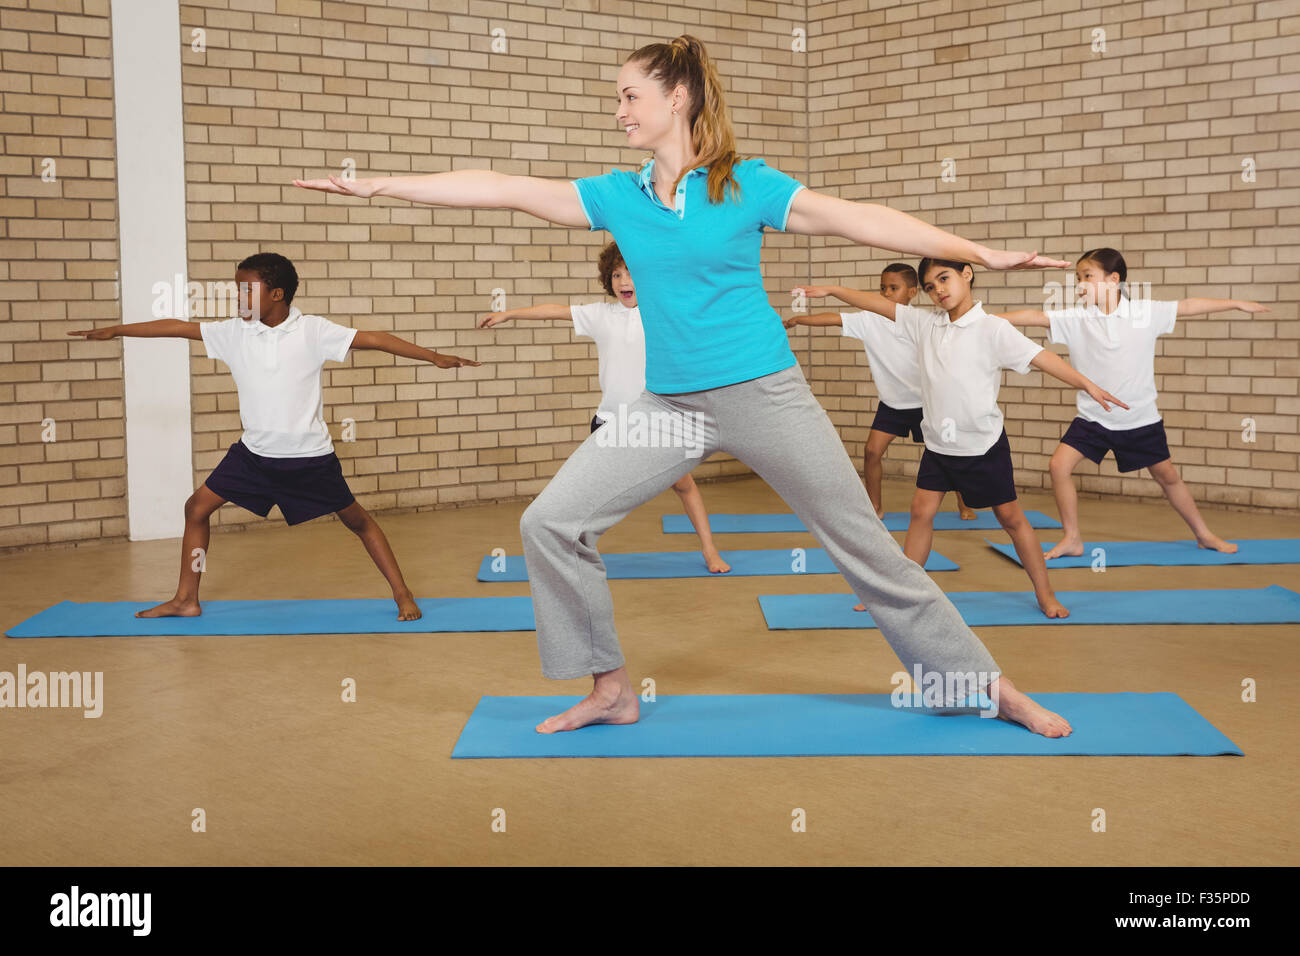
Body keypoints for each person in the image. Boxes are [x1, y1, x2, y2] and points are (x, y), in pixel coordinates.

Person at [294, 35, 1079, 737]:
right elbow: (503, 186)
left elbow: (860, 219)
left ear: (678, 97)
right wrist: (383, 185)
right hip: (668, 406)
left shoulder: (745, 184)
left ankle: (985, 685)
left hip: (764, 394)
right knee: (550, 523)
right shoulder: (618, 197)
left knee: (866, 548)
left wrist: (983, 252)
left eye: (628, 96)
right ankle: (610, 687)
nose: (618, 111)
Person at [69, 252, 480, 621]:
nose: (237, 297)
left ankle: (403, 594)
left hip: (309, 458)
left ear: (277, 294)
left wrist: (434, 357)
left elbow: (375, 339)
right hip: (254, 456)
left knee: (359, 522)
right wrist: (118, 330)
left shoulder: (313, 331)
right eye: (236, 289)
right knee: (196, 509)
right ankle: (185, 599)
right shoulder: (233, 332)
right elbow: (178, 327)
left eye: (246, 290)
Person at [794, 258, 1128, 618]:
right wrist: (832, 290)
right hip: (939, 445)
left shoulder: (992, 329)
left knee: (1011, 519)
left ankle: (1046, 595)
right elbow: (875, 304)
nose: (938, 290)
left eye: (944, 279)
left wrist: (1088, 385)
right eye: (930, 286)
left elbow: (1043, 358)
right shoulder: (923, 324)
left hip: (982, 446)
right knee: (921, 512)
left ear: (966, 274)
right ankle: (900, 594)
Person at [998, 247, 1267, 559]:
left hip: (1139, 418)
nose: (1081, 284)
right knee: (1059, 465)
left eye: (1088, 277)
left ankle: (1204, 534)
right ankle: (1072, 538)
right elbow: (1035, 317)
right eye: (1078, 278)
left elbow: (1188, 305)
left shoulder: (1145, 313)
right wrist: (985, 319)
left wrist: (1235, 303)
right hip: (1094, 418)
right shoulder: (1076, 318)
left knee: (1167, 476)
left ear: (1113, 280)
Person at [480, 240, 730, 572]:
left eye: (632, 274)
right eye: (616, 275)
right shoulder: (601, 315)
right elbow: (554, 311)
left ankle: (710, 551)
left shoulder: (663, 313)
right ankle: (574, 550)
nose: (624, 281)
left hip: (654, 421)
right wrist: (510, 313)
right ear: (608, 281)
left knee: (684, 486)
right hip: (610, 422)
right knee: (589, 492)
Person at [784, 263, 977, 520]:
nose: (886, 293)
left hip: (926, 404)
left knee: (946, 454)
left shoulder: (919, 322)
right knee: (872, 451)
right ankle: (874, 506)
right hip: (892, 405)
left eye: (893, 288)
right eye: (883, 288)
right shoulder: (868, 321)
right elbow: (833, 318)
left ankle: (965, 504)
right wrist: (799, 320)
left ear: (911, 292)